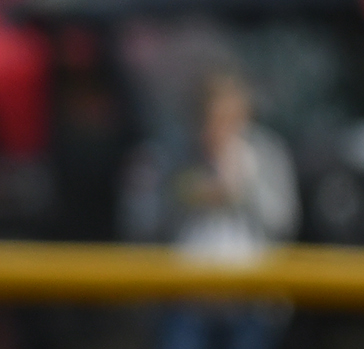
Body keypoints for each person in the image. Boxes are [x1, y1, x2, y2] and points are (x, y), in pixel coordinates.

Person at [122, 72, 297, 349]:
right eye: (212, 117)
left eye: (228, 118)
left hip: (250, 303)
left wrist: (241, 189)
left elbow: (283, 221)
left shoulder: (266, 152)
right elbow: (146, 226)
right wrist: (188, 195)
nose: (218, 128)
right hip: (186, 303)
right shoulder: (169, 156)